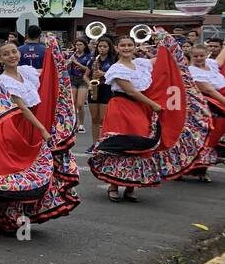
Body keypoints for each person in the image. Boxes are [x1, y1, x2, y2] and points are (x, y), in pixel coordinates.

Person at [0, 39, 80, 233]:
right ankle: (9, 217)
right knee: (14, 173)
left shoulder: (27, 72)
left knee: (28, 171)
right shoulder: (3, 81)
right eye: (6, 54)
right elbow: (23, 109)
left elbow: (50, 74)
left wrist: (53, 50)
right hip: (13, 129)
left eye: (13, 52)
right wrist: (42, 129)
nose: (11, 56)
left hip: (28, 127)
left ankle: (18, 215)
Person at [89, 31, 209, 201]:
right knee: (121, 144)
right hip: (122, 108)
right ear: (116, 48)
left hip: (140, 109)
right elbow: (131, 91)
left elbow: (163, 59)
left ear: (135, 47)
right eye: (123, 45)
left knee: (140, 144)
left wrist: (162, 38)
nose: (127, 48)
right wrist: (154, 105)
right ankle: (113, 185)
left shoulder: (140, 63)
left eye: (130, 45)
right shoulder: (117, 68)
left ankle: (131, 186)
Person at [183, 44, 225, 181]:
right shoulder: (193, 71)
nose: (199, 58)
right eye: (195, 56)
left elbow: (220, 59)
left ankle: (202, 170)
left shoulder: (211, 64)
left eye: (202, 55)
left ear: (207, 53)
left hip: (217, 103)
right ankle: (187, 168)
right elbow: (209, 90)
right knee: (201, 139)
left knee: (213, 137)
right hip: (204, 106)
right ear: (191, 56)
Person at [65, 39, 91, 133]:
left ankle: (81, 124)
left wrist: (76, 63)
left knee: (80, 104)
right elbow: (65, 65)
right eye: (77, 45)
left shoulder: (88, 56)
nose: (78, 47)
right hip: (73, 79)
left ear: (84, 46)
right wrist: (68, 62)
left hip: (83, 79)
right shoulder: (72, 55)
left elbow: (88, 69)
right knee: (73, 104)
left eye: (80, 45)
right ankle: (74, 124)